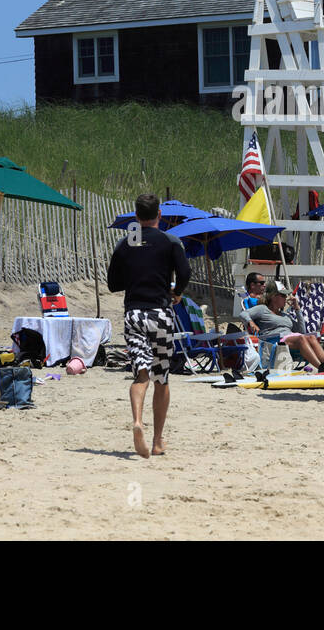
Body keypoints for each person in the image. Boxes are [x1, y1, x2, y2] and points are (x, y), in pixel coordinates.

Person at [107, 193, 191, 458]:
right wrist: (177, 291)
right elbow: (185, 272)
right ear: (160, 215)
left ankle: (137, 422)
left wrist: (135, 279)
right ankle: (157, 441)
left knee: (141, 374)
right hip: (160, 314)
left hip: (134, 314)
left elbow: (112, 283)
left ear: (136, 216)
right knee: (162, 378)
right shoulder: (170, 241)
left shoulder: (125, 243)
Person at [236, 281, 324, 371]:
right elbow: (243, 314)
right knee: (301, 338)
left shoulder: (285, 315)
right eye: (283, 295)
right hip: (274, 341)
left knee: (311, 337)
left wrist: (297, 309)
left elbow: (302, 331)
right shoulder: (262, 309)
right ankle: (321, 368)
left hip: (291, 339)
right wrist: (251, 322)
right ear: (274, 297)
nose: (286, 298)